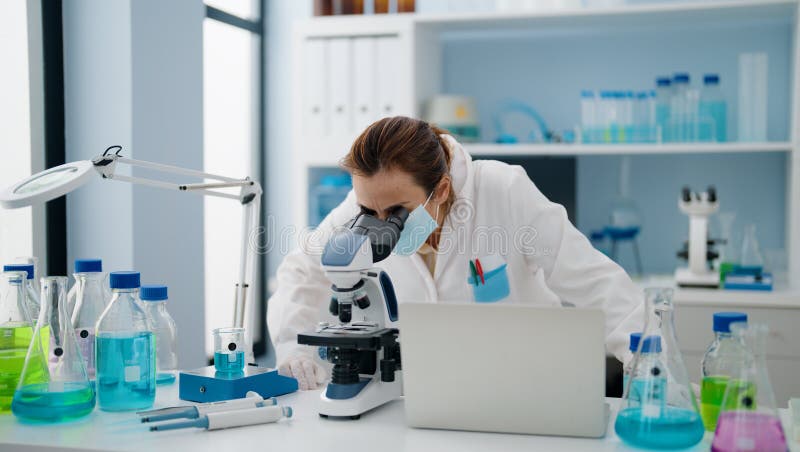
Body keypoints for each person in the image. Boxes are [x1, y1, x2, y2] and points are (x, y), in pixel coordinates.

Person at [268, 116, 644, 390]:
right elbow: (302, 268)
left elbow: (590, 277)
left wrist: (647, 359)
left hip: (525, 390)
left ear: (442, 190)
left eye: (398, 212)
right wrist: (291, 346)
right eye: (370, 214)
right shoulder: (367, 202)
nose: (381, 226)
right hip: (422, 397)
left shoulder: (503, 189)